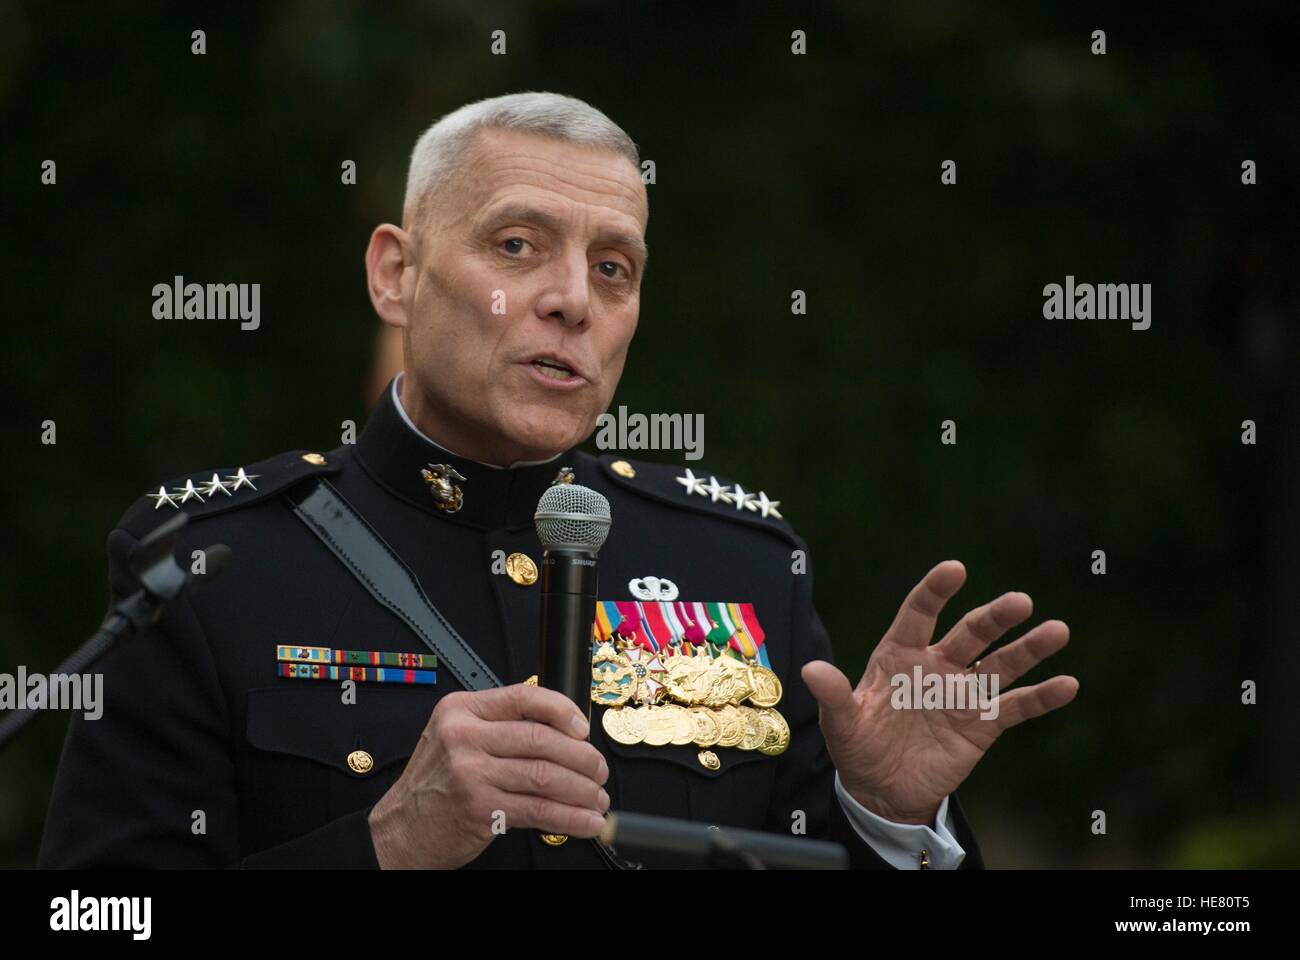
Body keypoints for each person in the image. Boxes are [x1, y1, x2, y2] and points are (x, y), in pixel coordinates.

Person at [39, 92, 1077, 869]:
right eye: (518, 245)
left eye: (613, 267)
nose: (572, 301)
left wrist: (887, 822)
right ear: (394, 273)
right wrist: (387, 843)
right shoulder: (216, 566)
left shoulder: (740, 568)